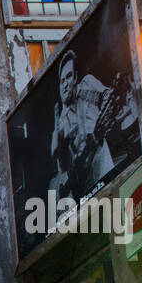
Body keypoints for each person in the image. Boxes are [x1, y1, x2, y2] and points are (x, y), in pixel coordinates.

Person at [50, 50, 115, 192]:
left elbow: (108, 95)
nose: (66, 84)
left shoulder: (87, 83)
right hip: (86, 185)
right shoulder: (62, 120)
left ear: (75, 78)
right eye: (62, 81)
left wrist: (82, 95)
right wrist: (58, 133)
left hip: (104, 167)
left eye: (69, 77)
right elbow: (60, 163)